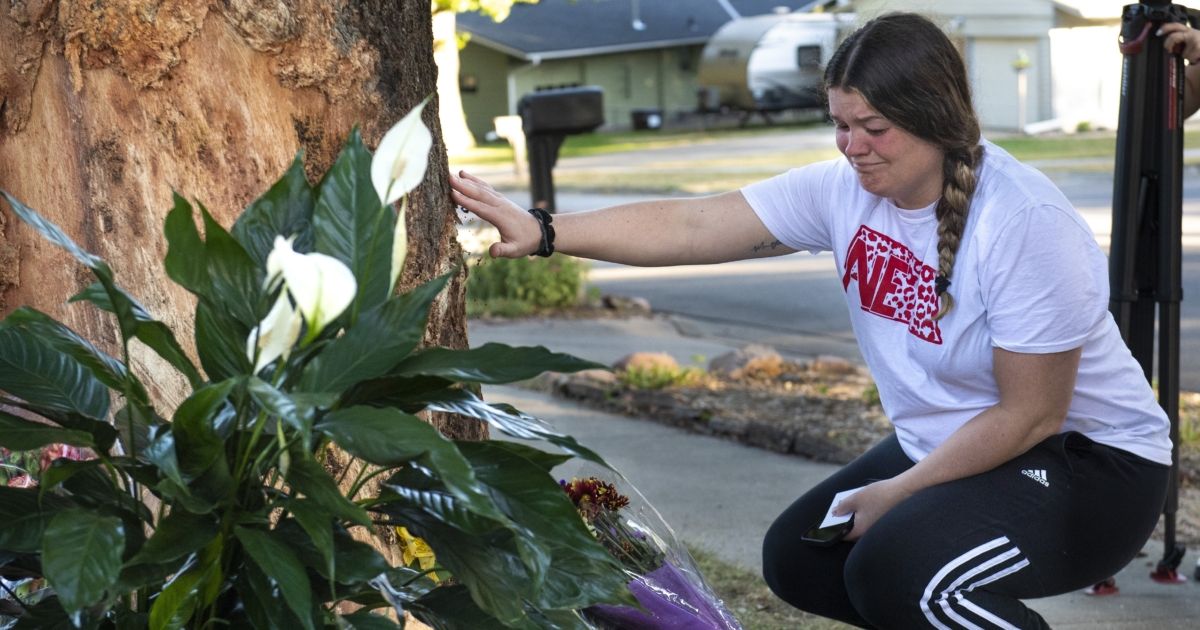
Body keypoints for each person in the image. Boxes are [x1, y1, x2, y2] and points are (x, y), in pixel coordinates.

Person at [449, 13, 1171, 630]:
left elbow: (1030, 416)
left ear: (935, 121)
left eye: (874, 128)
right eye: (840, 124)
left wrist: (898, 494)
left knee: (904, 570)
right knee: (800, 558)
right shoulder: (842, 189)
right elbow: (700, 224)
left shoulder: (1023, 221)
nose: (852, 146)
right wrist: (544, 230)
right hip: (961, 439)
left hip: (1091, 467)